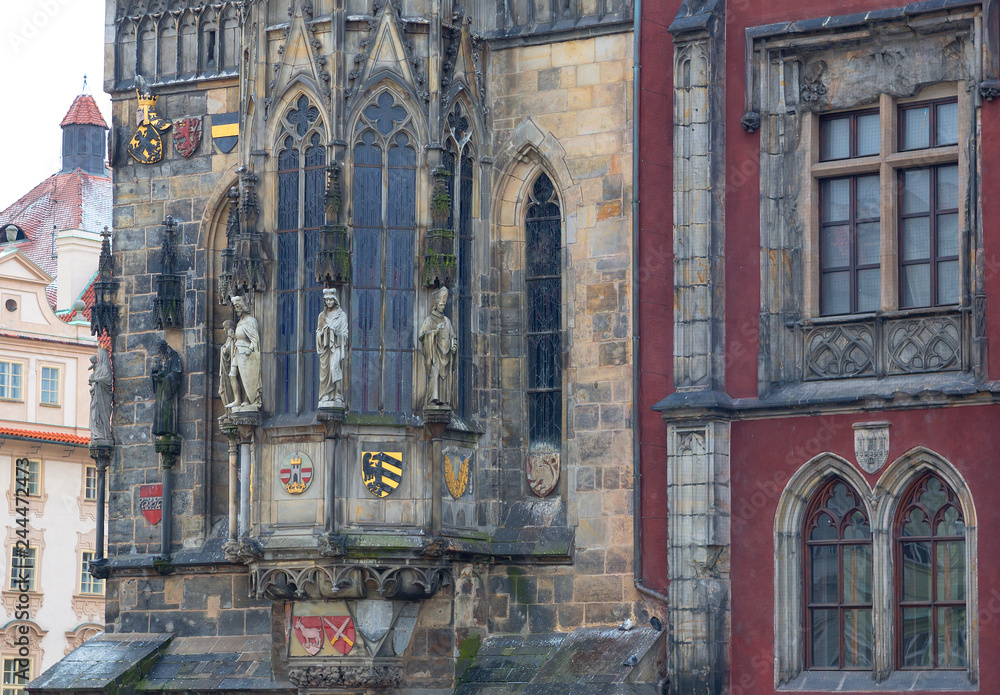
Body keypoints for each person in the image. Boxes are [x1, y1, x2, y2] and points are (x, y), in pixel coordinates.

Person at [419, 286, 458, 408]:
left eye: (444, 305)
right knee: (434, 374)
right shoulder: (429, 320)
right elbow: (422, 336)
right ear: (436, 305)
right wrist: (434, 332)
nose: (443, 307)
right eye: (441, 305)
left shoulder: (447, 321)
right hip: (434, 354)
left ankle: (444, 401)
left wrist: (454, 346)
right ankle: (432, 400)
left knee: (445, 378)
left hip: (445, 354)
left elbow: (453, 337)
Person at [228, 295, 262, 410]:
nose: (237, 309)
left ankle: (248, 399)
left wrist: (250, 349)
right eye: (235, 307)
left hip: (246, 353)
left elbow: (255, 339)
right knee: (232, 375)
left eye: (238, 306)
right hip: (237, 351)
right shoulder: (240, 322)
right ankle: (237, 399)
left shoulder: (250, 321)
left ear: (243, 306)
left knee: (246, 377)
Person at [316, 288, 349, 407]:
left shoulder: (342, 316)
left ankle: (338, 395)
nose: (329, 302)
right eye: (327, 300)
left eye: (331, 300)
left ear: (335, 300)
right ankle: (325, 395)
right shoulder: (322, 316)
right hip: (325, 349)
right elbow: (318, 332)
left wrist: (336, 333)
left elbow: (345, 334)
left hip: (336, 347)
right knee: (325, 371)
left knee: (335, 368)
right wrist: (323, 333)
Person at [151, 341, 182, 437]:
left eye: (160, 349)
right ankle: (160, 429)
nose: (159, 352)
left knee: (166, 405)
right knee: (160, 406)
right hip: (161, 386)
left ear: (164, 347)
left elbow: (176, 373)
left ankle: (168, 429)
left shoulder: (174, 357)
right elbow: (157, 368)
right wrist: (155, 373)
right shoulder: (161, 357)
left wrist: (165, 378)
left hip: (167, 386)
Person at [89, 348, 113, 444]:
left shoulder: (105, 368)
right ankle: (97, 434)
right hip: (96, 394)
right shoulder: (98, 367)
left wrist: (96, 380)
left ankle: (103, 434)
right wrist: (92, 378)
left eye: (99, 356)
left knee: (100, 414)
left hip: (103, 396)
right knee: (94, 414)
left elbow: (107, 379)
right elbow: (94, 376)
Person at [219, 320, 236, 406]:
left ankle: (229, 412)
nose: (223, 330)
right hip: (224, 369)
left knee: (226, 389)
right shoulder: (229, 339)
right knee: (222, 390)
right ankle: (227, 412)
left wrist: (223, 349)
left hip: (228, 369)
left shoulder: (232, 339)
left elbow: (228, 351)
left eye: (224, 327)